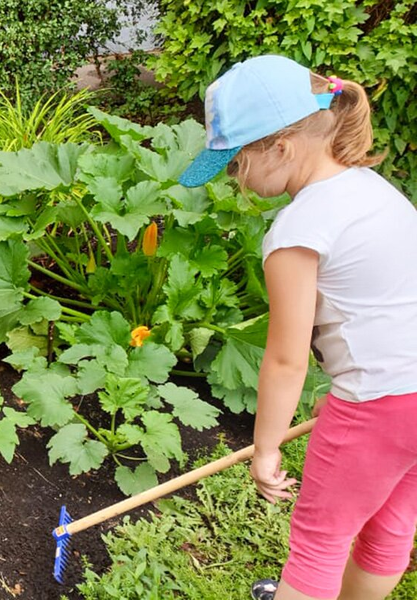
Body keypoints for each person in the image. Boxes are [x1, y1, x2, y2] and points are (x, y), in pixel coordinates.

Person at [179, 55, 417, 600]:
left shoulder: (297, 230)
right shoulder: (374, 193)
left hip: (377, 405)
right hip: (409, 399)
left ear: (281, 147)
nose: (234, 178)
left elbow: (287, 359)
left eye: (236, 161)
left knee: (319, 544)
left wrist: (265, 449)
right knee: (391, 526)